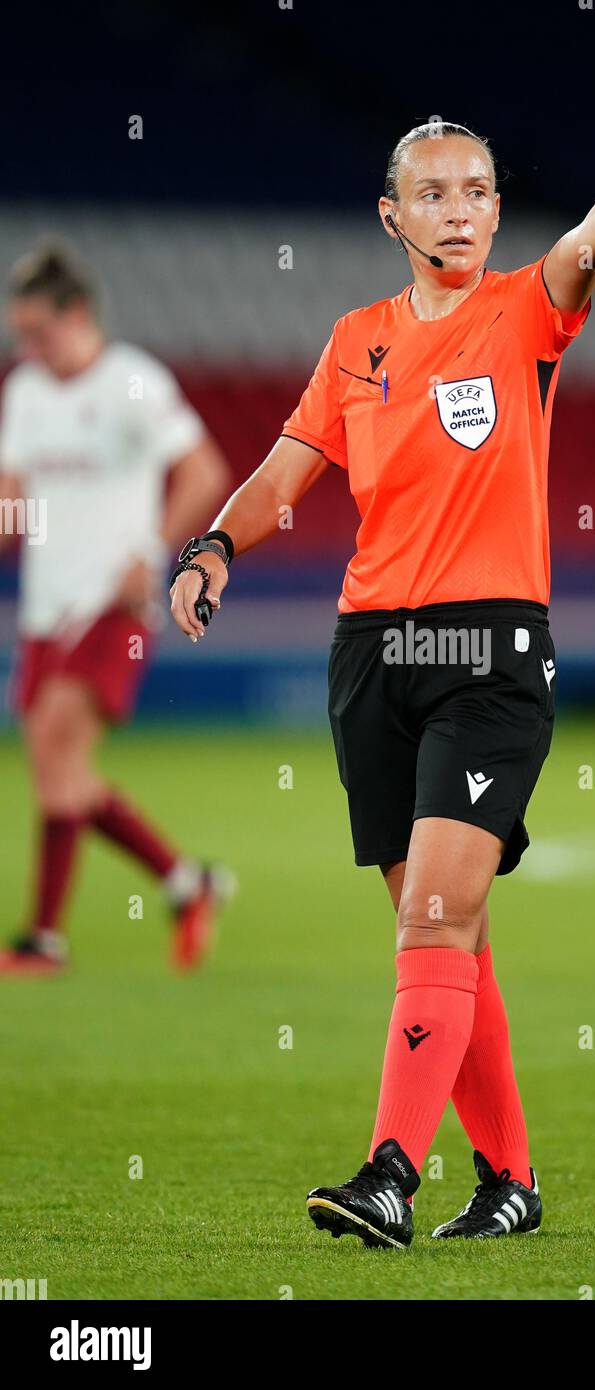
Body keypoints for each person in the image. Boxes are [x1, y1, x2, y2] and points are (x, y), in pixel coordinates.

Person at [170, 95, 595, 1246]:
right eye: (432, 192)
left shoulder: (524, 310)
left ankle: (388, 1174)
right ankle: (508, 1181)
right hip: (371, 655)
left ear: (496, 209)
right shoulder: (354, 340)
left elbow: (587, 244)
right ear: (390, 214)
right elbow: (281, 474)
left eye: (475, 192)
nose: (457, 211)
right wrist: (215, 544)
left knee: (432, 920)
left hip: (489, 655)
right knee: (448, 934)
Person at [0, 243, 234, 974]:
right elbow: (14, 505)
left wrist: (152, 550)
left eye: (38, 331)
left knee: (61, 755)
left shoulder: (134, 383)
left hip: (112, 601)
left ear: (77, 316)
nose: (28, 347)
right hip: (46, 605)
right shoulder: (25, 393)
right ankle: (186, 882)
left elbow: (205, 473)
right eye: (20, 335)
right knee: (56, 771)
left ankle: (43, 939)